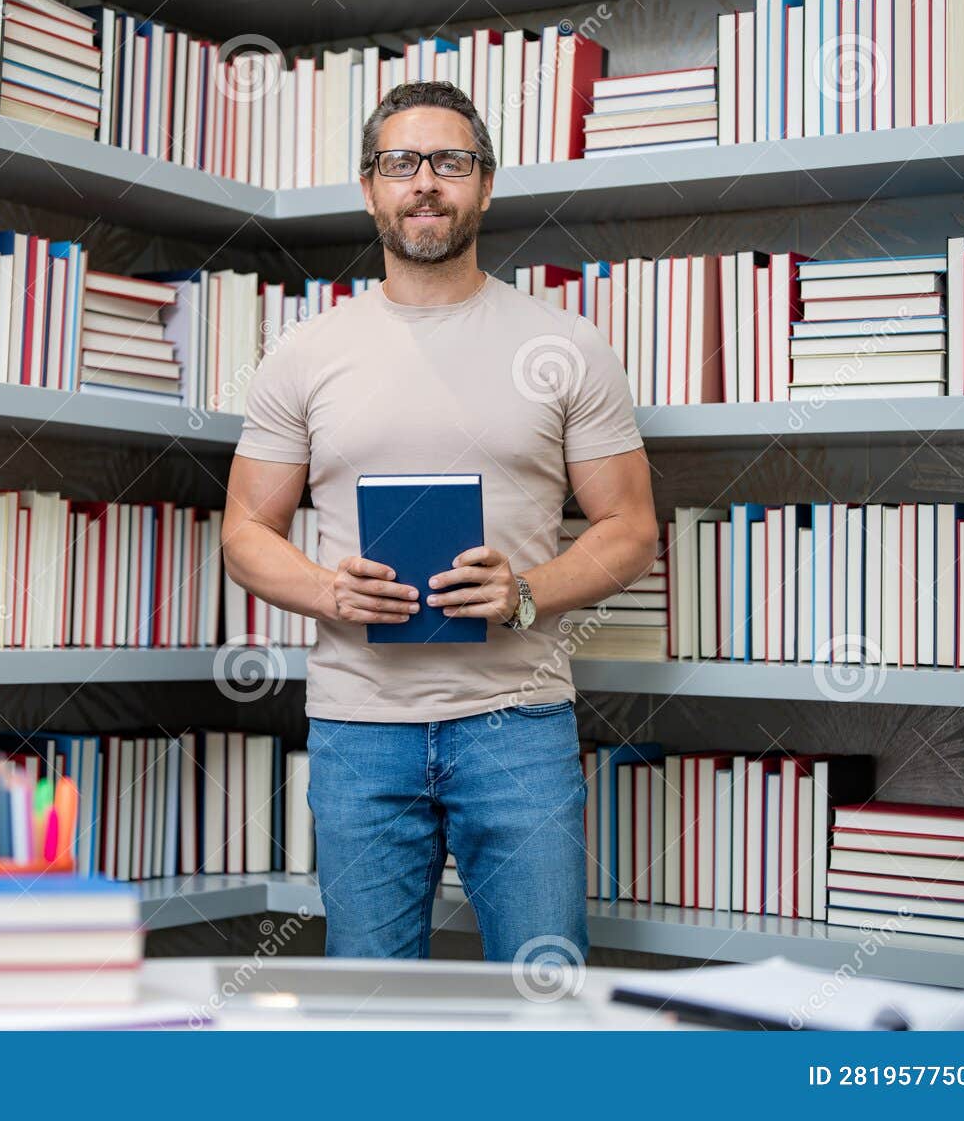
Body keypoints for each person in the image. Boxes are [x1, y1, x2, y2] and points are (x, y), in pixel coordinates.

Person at [220, 80, 658, 963]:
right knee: (372, 1012)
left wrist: (527, 590)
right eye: (402, 163)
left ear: (485, 185)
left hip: (518, 723)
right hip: (358, 731)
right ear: (370, 185)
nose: (426, 182)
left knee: (547, 997)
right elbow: (243, 532)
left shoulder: (567, 345)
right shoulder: (303, 351)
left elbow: (632, 528)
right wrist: (327, 590)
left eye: (451, 162)